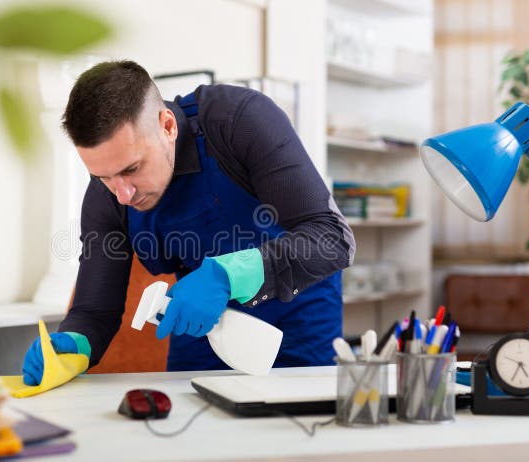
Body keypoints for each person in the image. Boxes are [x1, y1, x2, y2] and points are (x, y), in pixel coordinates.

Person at [22, 60, 355, 385]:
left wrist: (225, 275)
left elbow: (332, 239)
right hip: (200, 328)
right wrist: (73, 343)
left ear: (167, 126)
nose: (122, 194)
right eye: (102, 176)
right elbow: (95, 311)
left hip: (296, 321)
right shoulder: (107, 194)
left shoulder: (240, 120)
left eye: (131, 169)